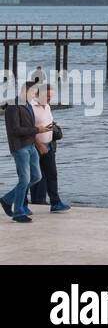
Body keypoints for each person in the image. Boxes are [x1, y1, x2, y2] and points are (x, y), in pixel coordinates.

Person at [1, 81, 42, 223]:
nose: (34, 96)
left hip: (31, 145)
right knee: (24, 179)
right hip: (20, 147)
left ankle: (7, 199)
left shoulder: (28, 105)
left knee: (36, 177)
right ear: (25, 90)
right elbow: (15, 130)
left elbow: (28, 125)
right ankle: (18, 213)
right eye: (33, 93)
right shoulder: (13, 105)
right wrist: (38, 130)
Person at [27, 83, 69, 212]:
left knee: (51, 174)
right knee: (34, 176)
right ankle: (31, 201)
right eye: (48, 96)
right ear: (38, 94)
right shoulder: (31, 108)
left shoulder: (47, 106)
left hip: (49, 145)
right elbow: (29, 129)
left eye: (51, 96)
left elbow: (46, 122)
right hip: (35, 147)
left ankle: (55, 203)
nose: (50, 99)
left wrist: (54, 126)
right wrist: (39, 145)